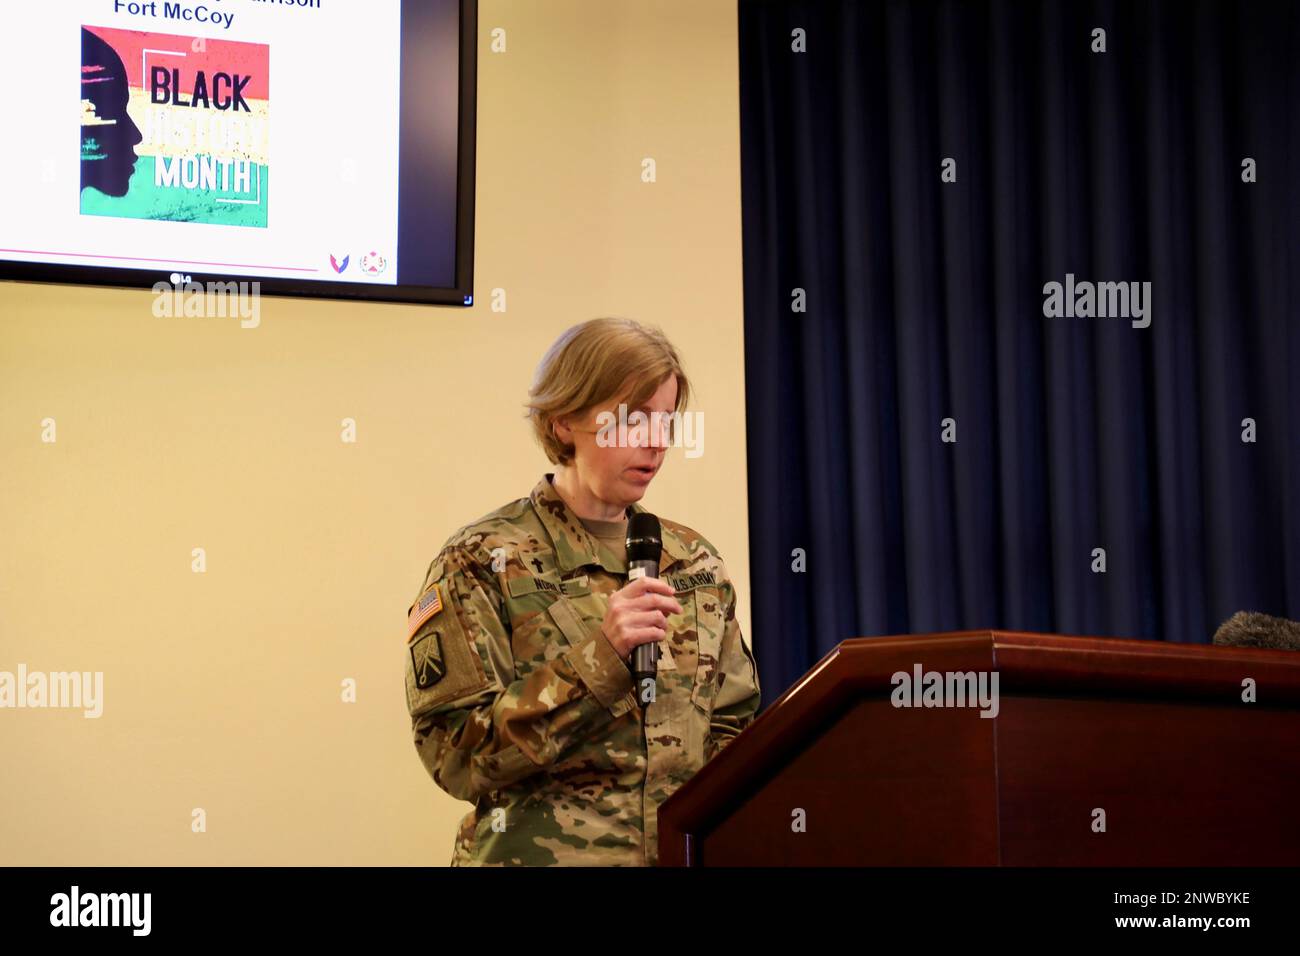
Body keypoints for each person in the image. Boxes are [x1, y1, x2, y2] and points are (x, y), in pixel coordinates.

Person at [404, 317, 761, 865]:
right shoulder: (481, 560)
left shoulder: (694, 561)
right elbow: (455, 756)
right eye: (632, 419)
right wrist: (601, 660)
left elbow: (735, 732)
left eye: (664, 421)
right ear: (563, 420)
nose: (655, 442)